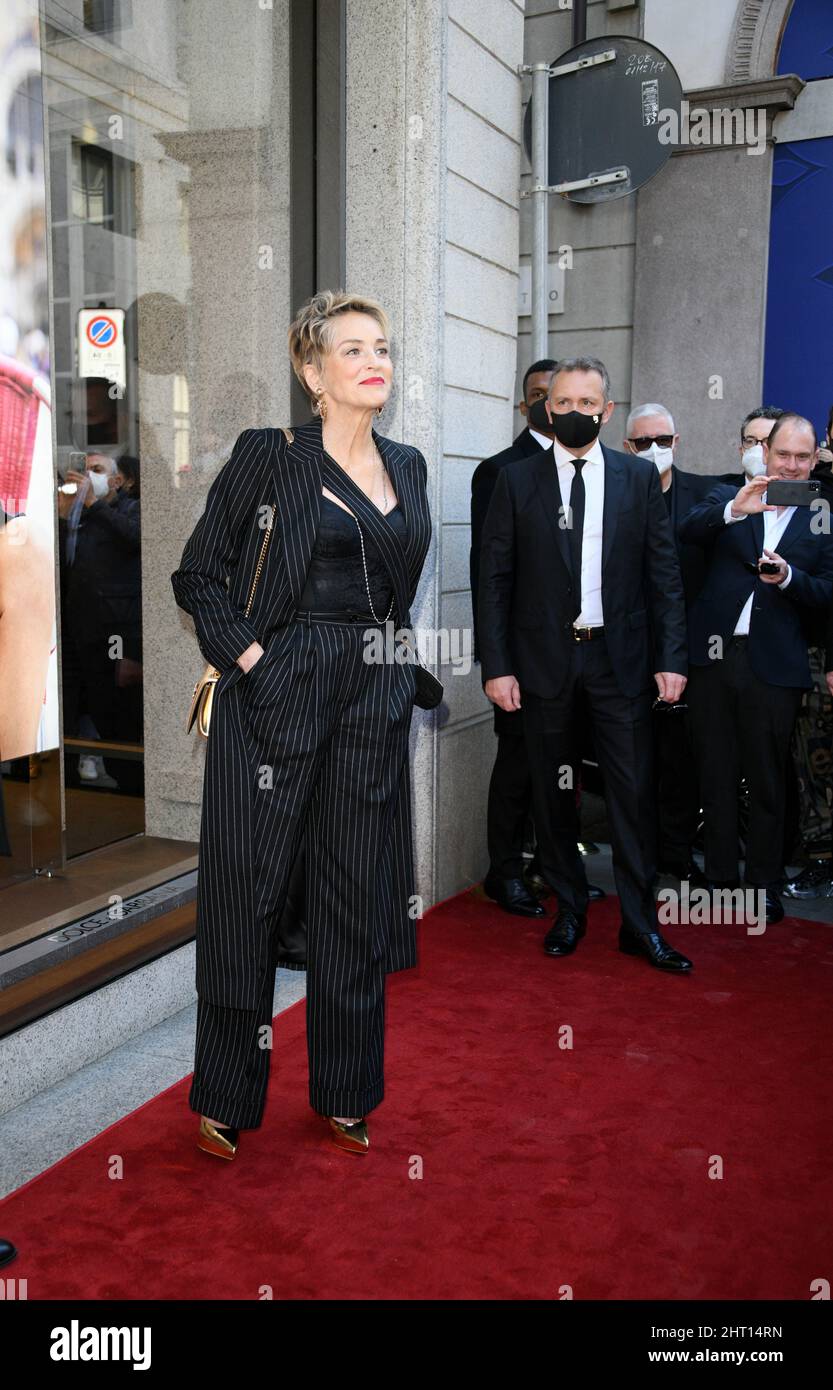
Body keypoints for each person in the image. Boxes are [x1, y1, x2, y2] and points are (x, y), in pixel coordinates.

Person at [171, 290, 432, 1158]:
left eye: (381, 347)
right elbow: (199, 574)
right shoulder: (270, 456)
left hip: (370, 698)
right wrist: (253, 661)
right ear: (312, 372)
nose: (373, 360)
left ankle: (346, 1090)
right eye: (350, 349)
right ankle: (225, 1094)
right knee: (247, 894)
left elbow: (394, 594)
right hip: (277, 691)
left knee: (355, 896)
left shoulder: (409, 464)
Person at [478, 356, 692, 972]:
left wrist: (673, 657)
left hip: (618, 662)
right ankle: (569, 908)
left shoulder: (635, 479)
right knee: (551, 794)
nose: (573, 413)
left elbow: (665, 577)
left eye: (586, 404)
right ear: (548, 408)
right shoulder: (516, 481)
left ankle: (638, 923)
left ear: (607, 409)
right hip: (542, 663)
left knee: (631, 794)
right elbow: (495, 581)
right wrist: (498, 665)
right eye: (562, 403)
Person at [679, 413, 833, 923]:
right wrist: (733, 510)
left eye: (801, 457)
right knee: (715, 771)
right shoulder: (725, 493)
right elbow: (686, 530)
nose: (790, 466)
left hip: (776, 662)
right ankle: (721, 878)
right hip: (714, 659)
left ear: (814, 459)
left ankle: (762, 882)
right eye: (782, 454)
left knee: (767, 778)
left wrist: (789, 578)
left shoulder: (824, 513)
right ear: (764, 452)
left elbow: (828, 592)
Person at [623, 402, 714, 887]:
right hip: (627, 650)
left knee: (682, 761)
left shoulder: (705, 494)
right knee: (632, 761)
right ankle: (636, 855)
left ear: (677, 443)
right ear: (627, 446)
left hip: (691, 652)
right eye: (643, 442)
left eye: (664, 440)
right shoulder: (615, 493)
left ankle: (677, 854)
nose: (654, 449)